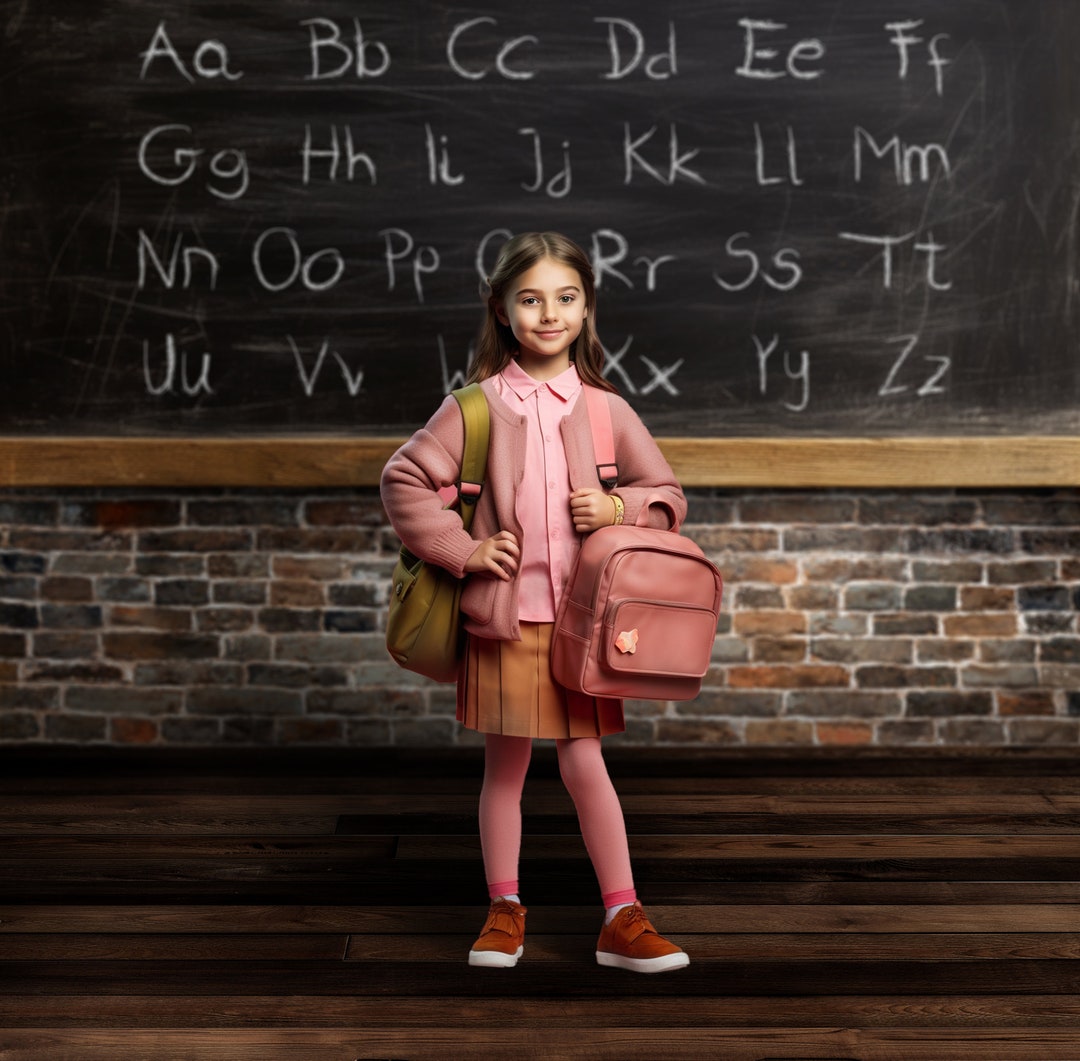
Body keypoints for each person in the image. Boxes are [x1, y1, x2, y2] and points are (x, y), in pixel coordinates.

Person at [380, 231, 689, 974]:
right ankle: (504, 911)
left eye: (566, 297)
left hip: (586, 629)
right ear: (503, 310)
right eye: (531, 298)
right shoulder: (474, 408)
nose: (549, 313)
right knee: (506, 768)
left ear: (586, 308)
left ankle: (622, 915)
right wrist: (465, 550)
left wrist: (618, 511)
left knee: (587, 765)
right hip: (504, 621)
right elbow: (403, 480)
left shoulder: (608, 410)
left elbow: (669, 494)